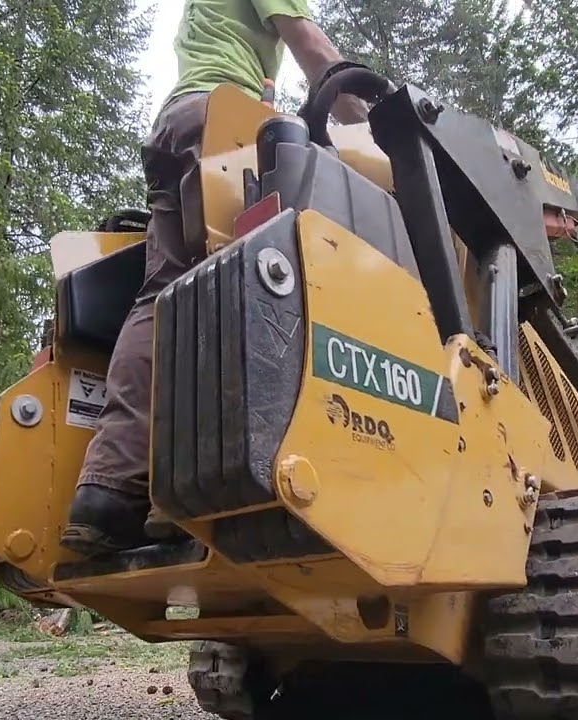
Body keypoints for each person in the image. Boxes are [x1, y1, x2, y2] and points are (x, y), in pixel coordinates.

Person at [60, 0, 370, 559]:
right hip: (220, 119)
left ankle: (106, 492)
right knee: (246, 286)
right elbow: (314, 50)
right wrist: (377, 127)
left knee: (162, 297)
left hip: (177, 119)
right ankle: (196, 488)